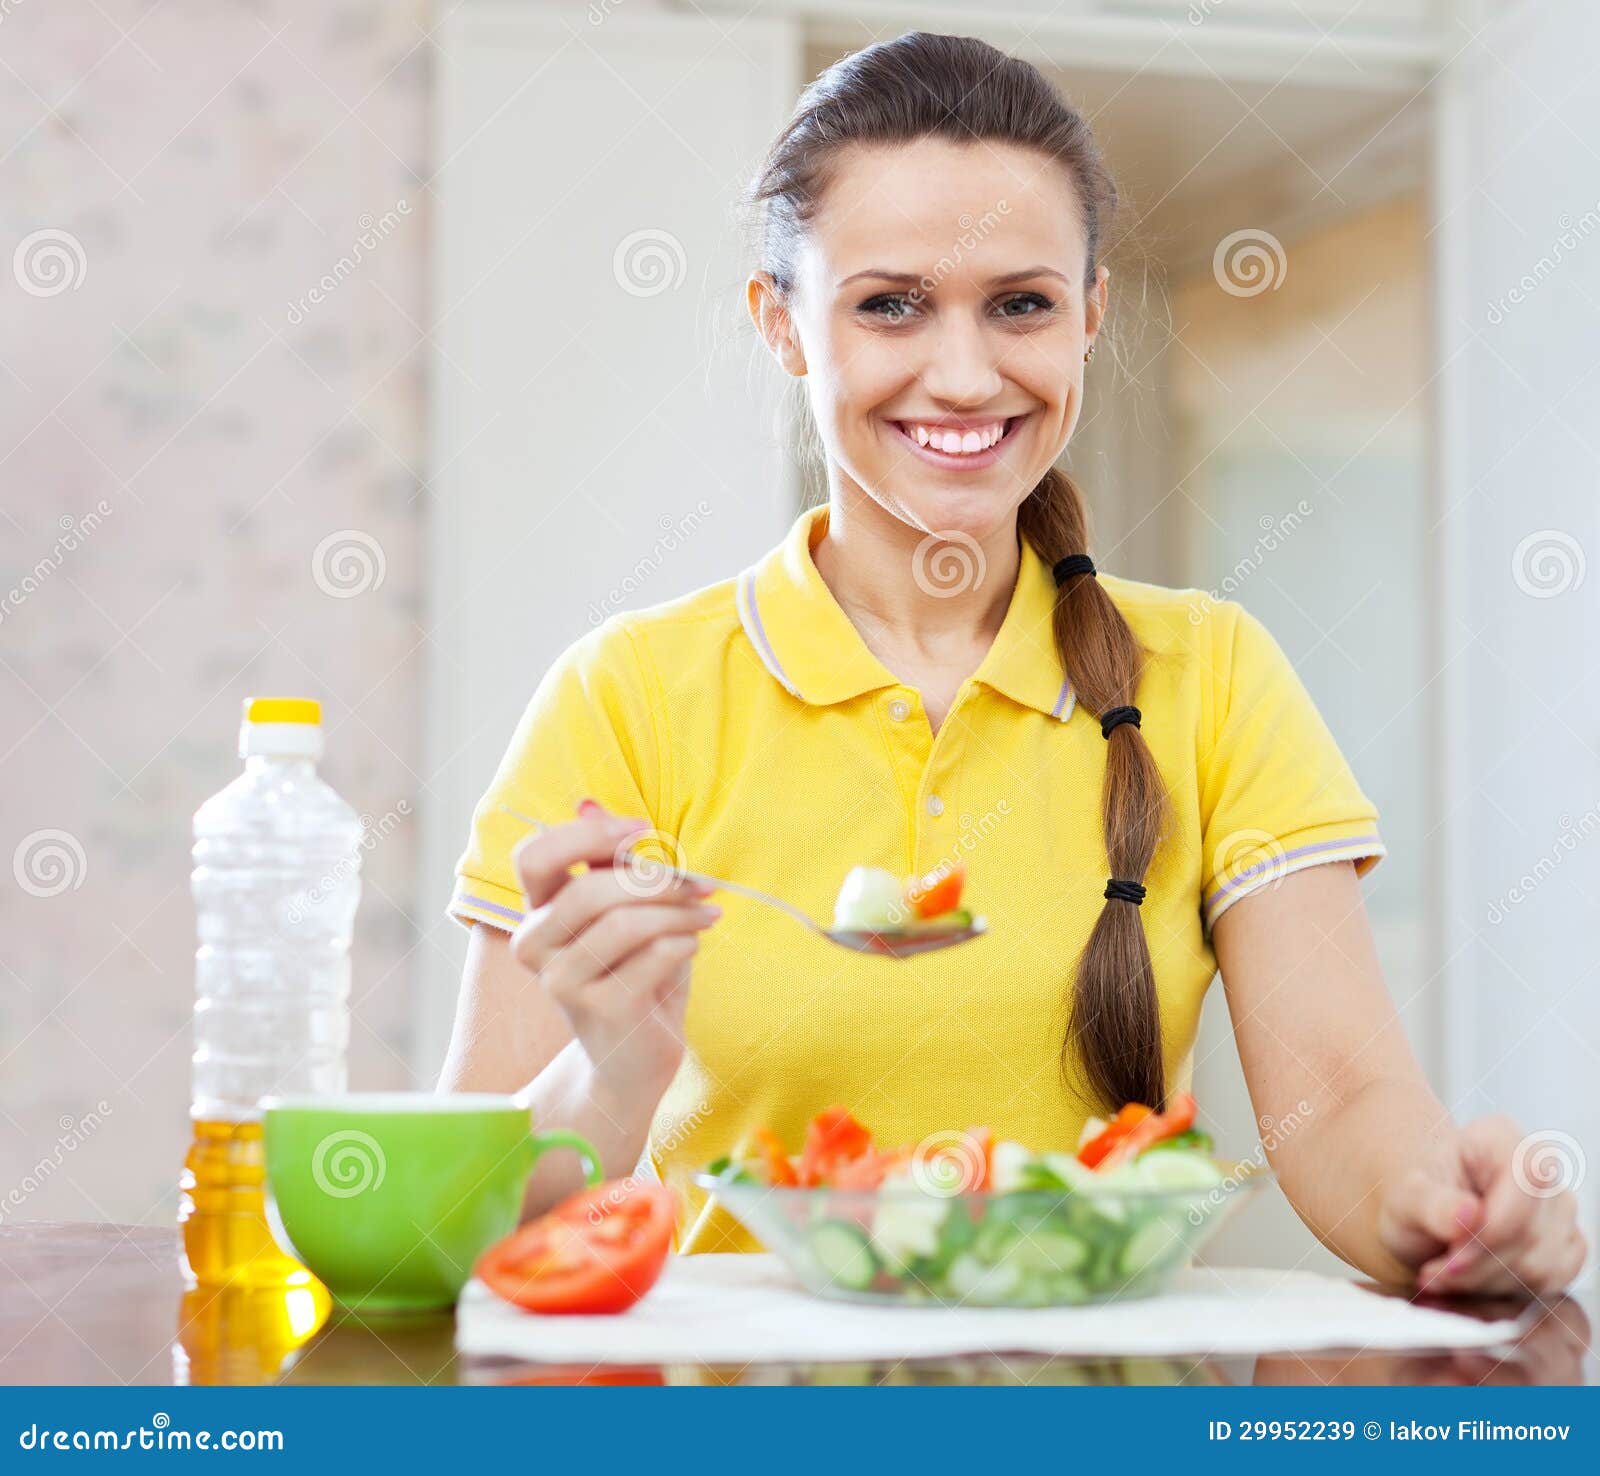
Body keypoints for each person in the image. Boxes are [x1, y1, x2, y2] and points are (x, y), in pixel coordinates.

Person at [439, 32, 1585, 1296]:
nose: (964, 374)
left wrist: (1455, 1213)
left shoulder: (1210, 674)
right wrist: (607, 1072)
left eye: (1020, 304)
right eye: (889, 304)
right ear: (781, 325)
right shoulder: (626, 697)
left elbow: (1347, 1100)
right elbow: (460, 1234)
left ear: (1088, 315)